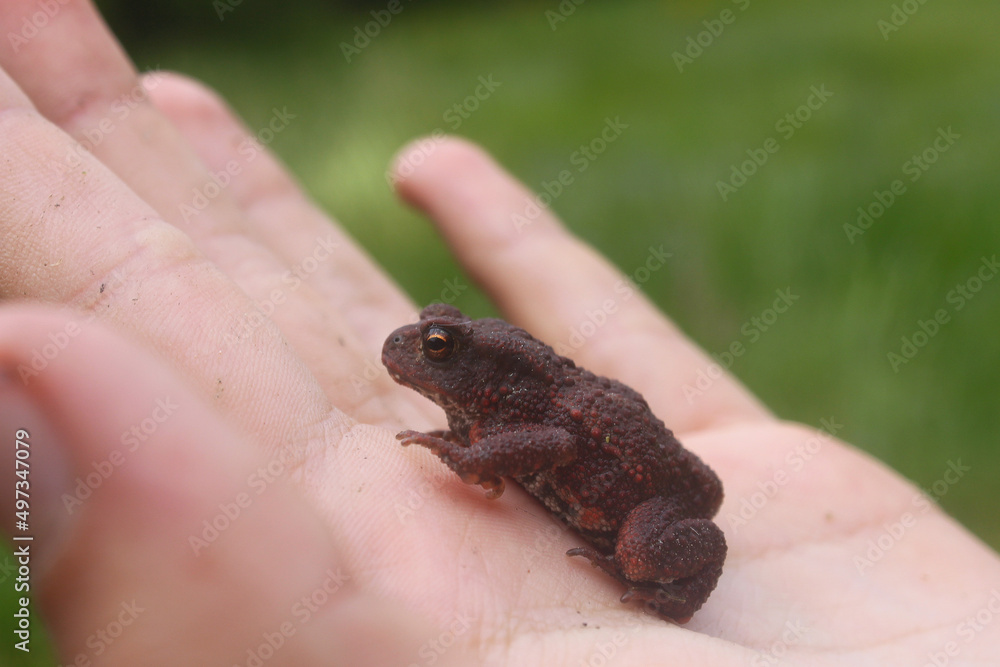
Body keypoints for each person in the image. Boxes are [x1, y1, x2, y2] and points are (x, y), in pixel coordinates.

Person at [1, 1, 998, 664]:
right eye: (436, 340)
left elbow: (559, 441)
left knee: (657, 547)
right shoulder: (510, 387)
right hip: (612, 439)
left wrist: (471, 457)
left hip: (644, 495)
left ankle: (646, 581)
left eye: (440, 349)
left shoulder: (518, 403)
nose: (420, 350)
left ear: (477, 370)